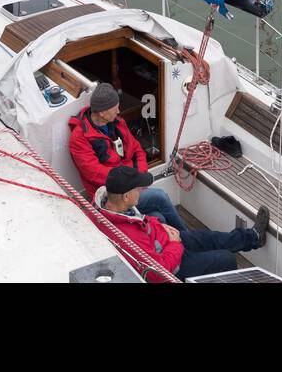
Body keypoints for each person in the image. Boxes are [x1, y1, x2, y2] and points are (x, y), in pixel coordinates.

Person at [94, 166, 268, 281]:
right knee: (226, 259)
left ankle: (254, 237)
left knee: (212, 238)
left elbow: (139, 220)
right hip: (174, 265)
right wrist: (176, 245)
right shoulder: (126, 236)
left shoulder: (115, 209)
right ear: (126, 196)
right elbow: (159, 273)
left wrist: (160, 225)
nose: (142, 191)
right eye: (138, 189)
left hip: (167, 241)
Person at [68, 82, 185, 231]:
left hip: (132, 186)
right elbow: (94, 174)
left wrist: (140, 176)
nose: (119, 110)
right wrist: (134, 182)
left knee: (158, 217)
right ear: (102, 113)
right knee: (160, 197)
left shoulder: (118, 123)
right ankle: (187, 236)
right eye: (115, 107)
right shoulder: (79, 139)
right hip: (112, 196)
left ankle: (173, 241)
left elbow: (137, 150)